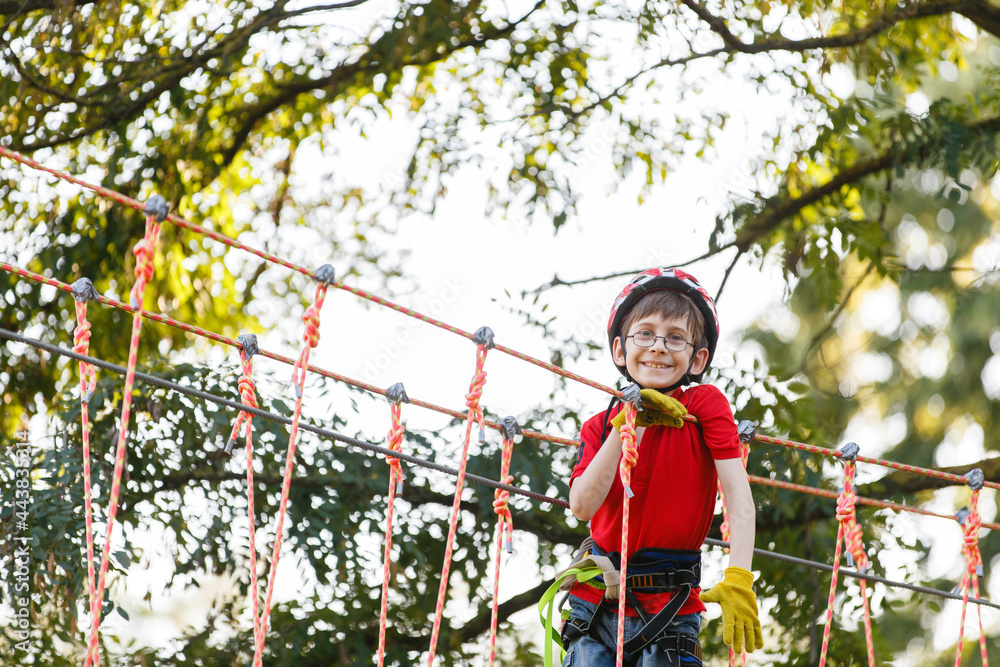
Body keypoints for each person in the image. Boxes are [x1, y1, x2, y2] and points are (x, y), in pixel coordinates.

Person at [561, 268, 762, 666]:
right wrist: (627, 424)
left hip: (670, 606)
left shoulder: (703, 406)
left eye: (675, 337)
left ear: (697, 358)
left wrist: (739, 576)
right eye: (645, 334)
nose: (657, 347)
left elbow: (739, 499)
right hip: (596, 603)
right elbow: (582, 506)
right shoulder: (601, 426)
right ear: (620, 350)